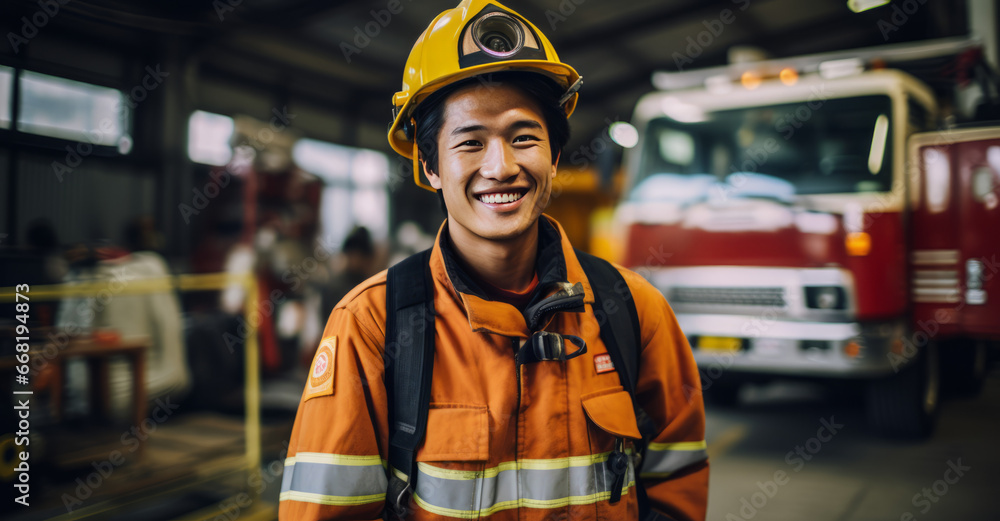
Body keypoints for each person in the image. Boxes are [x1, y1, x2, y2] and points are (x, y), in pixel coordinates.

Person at [279, 1, 708, 520]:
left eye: (523, 137)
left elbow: (675, 484)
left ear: (552, 156)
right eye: (470, 142)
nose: (501, 166)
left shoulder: (633, 311)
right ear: (429, 164)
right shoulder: (371, 326)